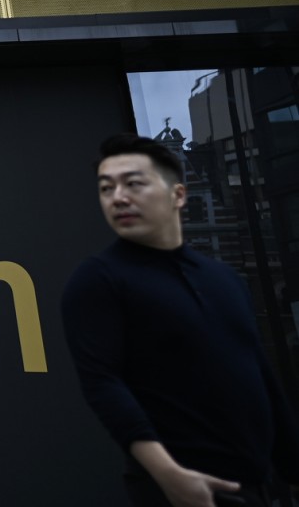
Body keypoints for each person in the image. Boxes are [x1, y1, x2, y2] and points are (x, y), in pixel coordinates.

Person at [61, 134, 299, 507]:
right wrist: (169, 475)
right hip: (179, 489)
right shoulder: (98, 279)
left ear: (178, 195)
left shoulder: (225, 280)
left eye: (133, 183)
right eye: (106, 188)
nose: (117, 197)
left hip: (257, 488)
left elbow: (261, 376)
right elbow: (102, 384)